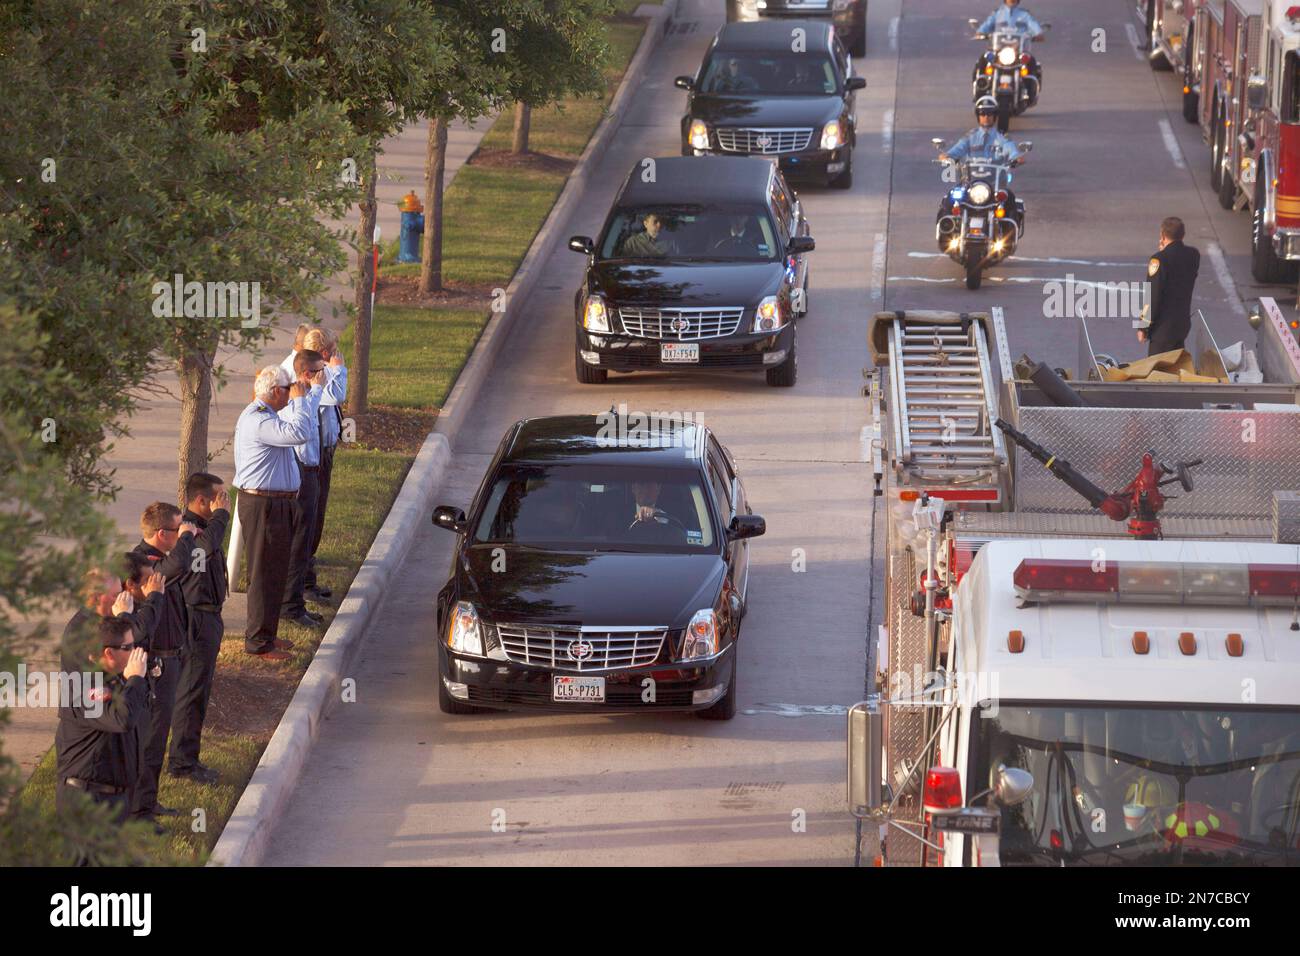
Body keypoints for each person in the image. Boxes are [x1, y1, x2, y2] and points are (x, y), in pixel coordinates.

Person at [233, 364, 319, 659]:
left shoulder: (267, 416)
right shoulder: (259, 421)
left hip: (275, 503)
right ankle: (257, 642)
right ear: (273, 392)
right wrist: (300, 399)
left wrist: (300, 394)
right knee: (263, 574)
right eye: (287, 388)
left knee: (275, 571)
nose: (290, 392)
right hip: (263, 505)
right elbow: (301, 433)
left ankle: (268, 634)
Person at [129, 502, 198, 824]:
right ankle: (139, 809)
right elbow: (179, 564)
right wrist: (187, 539)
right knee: (151, 738)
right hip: (155, 664)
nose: (185, 532)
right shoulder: (144, 563)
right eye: (178, 528)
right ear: (162, 534)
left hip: (172, 657)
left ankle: (148, 801)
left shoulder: (159, 560)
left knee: (158, 736)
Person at [167, 472, 231, 785]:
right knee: (191, 693)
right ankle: (181, 764)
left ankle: (189, 758)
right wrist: (222, 515)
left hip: (209, 618)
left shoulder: (205, 527)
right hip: (195, 620)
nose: (223, 502)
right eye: (218, 497)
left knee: (199, 692)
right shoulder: (187, 529)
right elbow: (202, 551)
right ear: (201, 500)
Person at [55, 617, 150, 825]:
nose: (135, 652)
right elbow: (122, 718)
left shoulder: (112, 678)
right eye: (129, 647)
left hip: (112, 799)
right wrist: (135, 679)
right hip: (86, 803)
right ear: (108, 653)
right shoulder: (84, 687)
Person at [281, 349, 329, 629]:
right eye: (321, 371)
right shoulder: (295, 402)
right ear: (308, 374)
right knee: (298, 541)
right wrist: (313, 394)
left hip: (311, 471)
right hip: (300, 472)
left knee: (305, 539)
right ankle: (290, 606)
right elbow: (302, 431)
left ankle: (296, 600)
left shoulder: (307, 398)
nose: (325, 375)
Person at [301, 328, 347, 605]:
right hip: (313, 457)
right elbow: (336, 395)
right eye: (334, 351)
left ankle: (308, 577)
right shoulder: (318, 374)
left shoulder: (320, 371)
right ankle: (304, 582)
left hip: (324, 451)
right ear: (327, 353)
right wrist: (339, 370)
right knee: (310, 517)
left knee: (317, 515)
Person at [938, 97, 1025, 229]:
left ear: (995, 116)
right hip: (969, 182)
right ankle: (946, 231)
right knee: (949, 199)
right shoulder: (970, 137)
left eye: (990, 114)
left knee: (1009, 199)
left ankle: (1008, 236)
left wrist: (1017, 157)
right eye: (982, 114)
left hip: (994, 185)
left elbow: (1011, 149)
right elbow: (957, 150)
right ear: (978, 116)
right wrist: (947, 156)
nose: (986, 117)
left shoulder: (1002, 138)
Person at [1139, 216, 1200, 355]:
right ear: (1183, 235)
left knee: (1158, 373)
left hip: (1162, 329)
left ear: (1162, 235)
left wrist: (1143, 326)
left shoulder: (1158, 259)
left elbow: (1153, 296)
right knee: (1176, 369)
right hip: (1182, 326)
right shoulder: (1193, 255)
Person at [976, 0, 1043, 40]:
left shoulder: (1025, 14)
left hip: (1019, 48)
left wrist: (1038, 34)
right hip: (999, 47)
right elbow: (987, 24)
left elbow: (1033, 24)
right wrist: (980, 32)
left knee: (1031, 61)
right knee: (983, 60)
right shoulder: (997, 14)